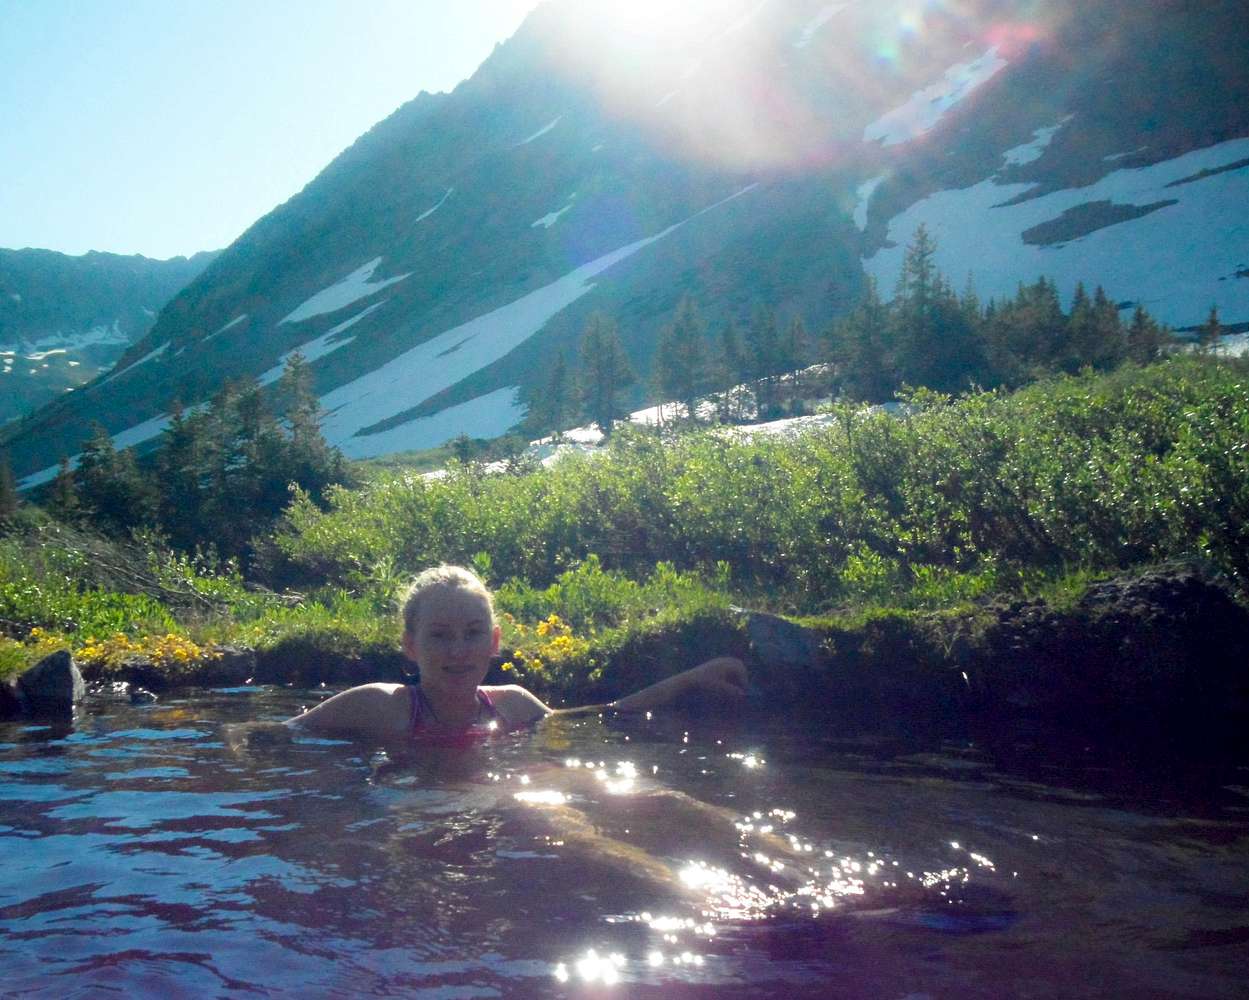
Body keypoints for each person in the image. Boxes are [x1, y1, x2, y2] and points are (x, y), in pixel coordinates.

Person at [287, 564, 748, 740]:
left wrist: (690, 678)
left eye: (472, 633)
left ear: (494, 641)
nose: (458, 650)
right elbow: (272, 735)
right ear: (410, 646)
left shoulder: (511, 704)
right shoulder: (381, 706)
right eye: (440, 635)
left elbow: (601, 716)